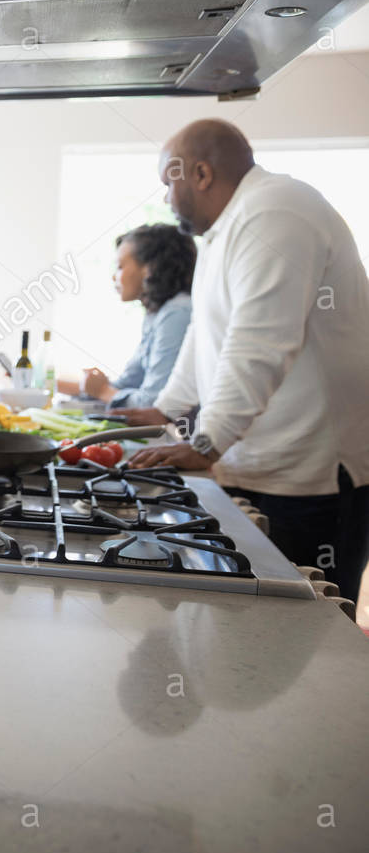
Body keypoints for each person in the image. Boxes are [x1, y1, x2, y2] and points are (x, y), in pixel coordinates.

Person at [114, 119, 369, 603]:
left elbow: (260, 341)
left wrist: (206, 442)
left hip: (310, 476)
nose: (166, 198)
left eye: (169, 183)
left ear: (201, 174)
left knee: (312, 640)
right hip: (258, 465)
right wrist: (168, 410)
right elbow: (206, 334)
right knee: (261, 633)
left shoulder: (277, 211)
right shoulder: (227, 230)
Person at [56, 224, 194, 407]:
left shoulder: (177, 313)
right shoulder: (157, 313)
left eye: (120, 266)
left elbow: (153, 403)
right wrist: (46, 382)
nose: (114, 277)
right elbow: (126, 384)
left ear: (149, 268)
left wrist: (102, 390)